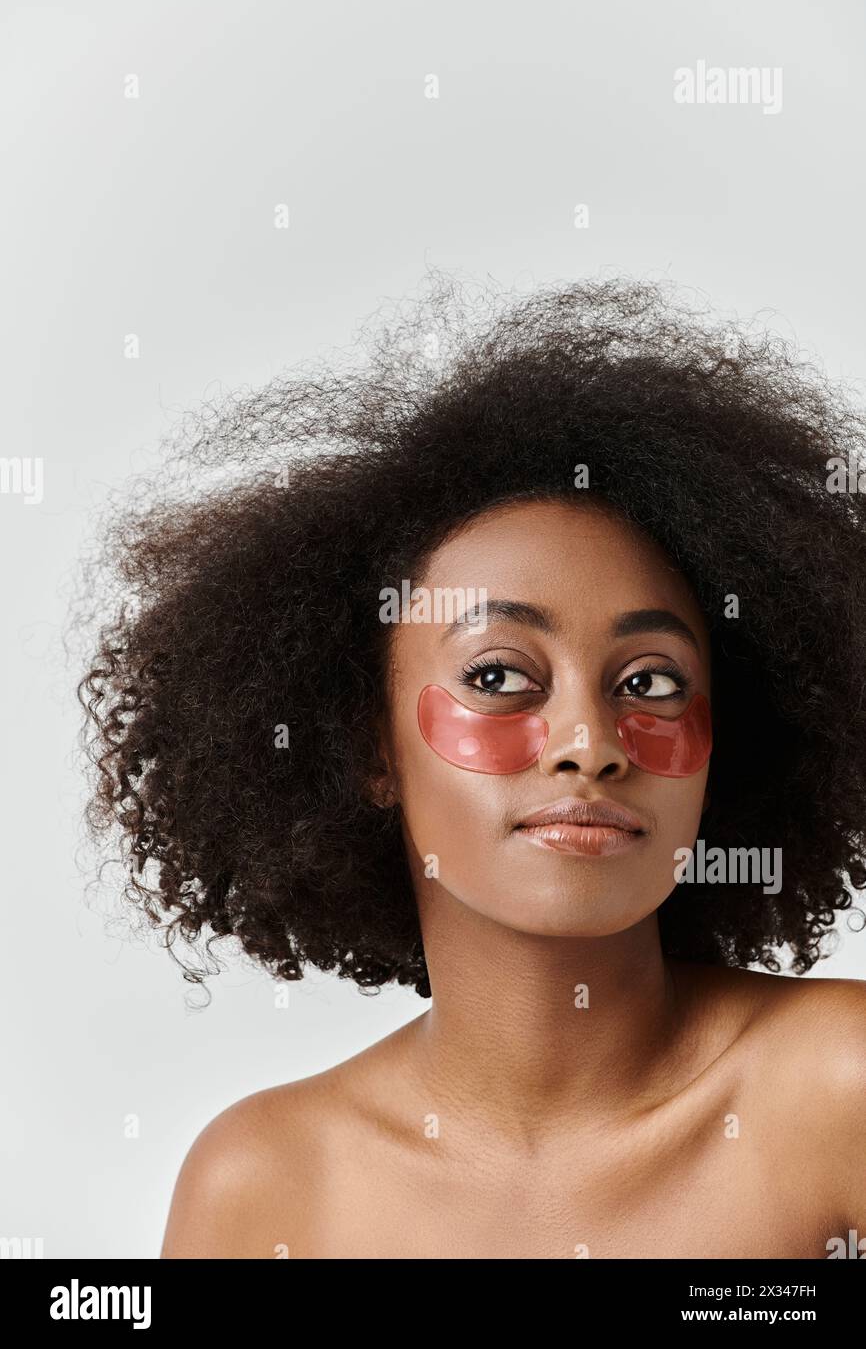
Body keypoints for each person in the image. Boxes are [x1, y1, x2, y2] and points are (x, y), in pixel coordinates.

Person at [78, 274, 866, 1258]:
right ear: (370, 742)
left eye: (651, 682)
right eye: (498, 673)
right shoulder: (267, 1188)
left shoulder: (838, 1087)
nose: (589, 741)